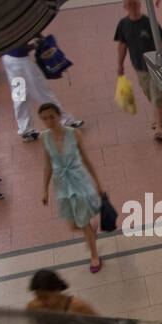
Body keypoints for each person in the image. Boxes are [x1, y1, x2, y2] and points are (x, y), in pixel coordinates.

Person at [38, 103, 105, 273]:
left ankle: (94, 255)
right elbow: (47, 165)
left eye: (52, 117)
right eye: (45, 118)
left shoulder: (74, 134)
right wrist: (44, 189)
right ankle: (90, 231)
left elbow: (86, 159)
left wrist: (97, 182)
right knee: (73, 224)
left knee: (83, 223)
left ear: (59, 116)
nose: (49, 121)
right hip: (61, 184)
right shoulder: (44, 138)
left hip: (79, 181)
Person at [113, 0, 162, 142]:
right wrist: (120, 65)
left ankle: (158, 128)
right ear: (125, 7)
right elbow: (122, 45)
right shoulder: (123, 25)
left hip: (156, 65)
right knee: (149, 93)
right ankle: (161, 116)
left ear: (140, 4)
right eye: (129, 4)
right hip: (139, 66)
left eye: (135, 3)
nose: (133, 7)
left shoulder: (149, 22)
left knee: (156, 94)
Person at [1, 41, 82, 142]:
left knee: (20, 96)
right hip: (21, 62)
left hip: (8, 60)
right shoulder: (21, 27)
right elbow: (22, 46)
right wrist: (36, 44)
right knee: (43, 94)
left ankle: (26, 130)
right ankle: (65, 121)